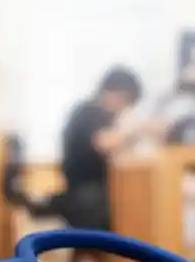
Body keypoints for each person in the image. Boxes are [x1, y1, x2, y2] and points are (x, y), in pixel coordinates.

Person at [58, 66, 145, 232]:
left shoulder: (94, 113)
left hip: (89, 194)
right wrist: (137, 129)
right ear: (119, 95)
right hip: (85, 195)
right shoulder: (89, 112)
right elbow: (104, 142)